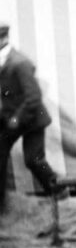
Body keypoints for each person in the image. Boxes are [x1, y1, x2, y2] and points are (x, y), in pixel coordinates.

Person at [0, 23, 61, 210]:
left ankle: (60, 196)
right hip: (12, 118)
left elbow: (34, 97)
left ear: (4, 39)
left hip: (32, 119)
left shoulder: (20, 62)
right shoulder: (4, 60)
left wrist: (16, 119)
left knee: (34, 159)